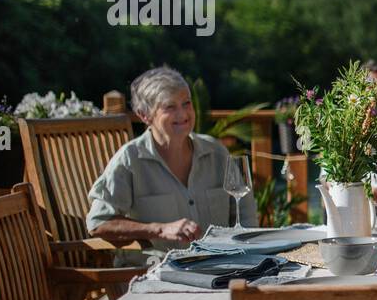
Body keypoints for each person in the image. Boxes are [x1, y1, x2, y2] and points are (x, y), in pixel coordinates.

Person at [87, 66, 257, 266]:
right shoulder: (129, 160)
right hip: (153, 273)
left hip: (218, 269)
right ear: (145, 115)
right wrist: (159, 229)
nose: (183, 113)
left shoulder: (217, 153)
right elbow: (99, 223)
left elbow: (246, 219)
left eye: (186, 103)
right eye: (170, 107)